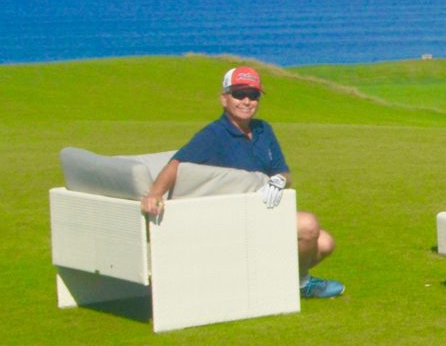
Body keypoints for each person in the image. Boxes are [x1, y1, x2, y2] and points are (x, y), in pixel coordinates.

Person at [138, 66, 343, 298]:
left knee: (325, 243)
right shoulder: (213, 134)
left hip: (265, 209)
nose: (247, 101)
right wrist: (155, 194)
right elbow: (175, 164)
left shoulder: (264, 130)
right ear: (224, 99)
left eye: (253, 95)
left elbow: (284, 173)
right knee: (308, 225)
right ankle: (299, 282)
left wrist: (279, 180)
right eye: (239, 94)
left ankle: (281, 280)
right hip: (234, 217)